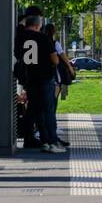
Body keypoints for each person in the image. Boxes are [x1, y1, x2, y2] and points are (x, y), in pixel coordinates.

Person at [15, 9, 66, 154]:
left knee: (36, 110)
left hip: (30, 79)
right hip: (45, 78)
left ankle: (43, 141)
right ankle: (51, 141)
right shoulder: (44, 38)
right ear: (38, 26)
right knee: (48, 111)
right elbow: (55, 60)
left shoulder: (20, 37)